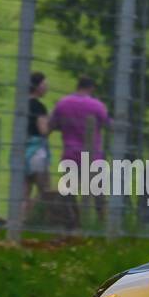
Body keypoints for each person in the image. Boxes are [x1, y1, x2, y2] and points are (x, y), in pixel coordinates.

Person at [48, 76, 111, 225]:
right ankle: (102, 225)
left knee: (69, 193)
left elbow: (52, 124)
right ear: (91, 88)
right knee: (99, 195)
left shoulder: (62, 103)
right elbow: (108, 124)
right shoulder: (97, 105)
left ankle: (73, 224)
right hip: (94, 157)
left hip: (71, 154)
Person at [23, 72, 54, 227]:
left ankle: (21, 222)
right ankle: (31, 220)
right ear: (37, 86)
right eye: (44, 84)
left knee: (24, 192)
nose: (47, 87)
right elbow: (43, 130)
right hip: (37, 154)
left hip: (21, 152)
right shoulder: (38, 106)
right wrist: (52, 124)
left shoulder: (21, 103)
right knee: (45, 190)